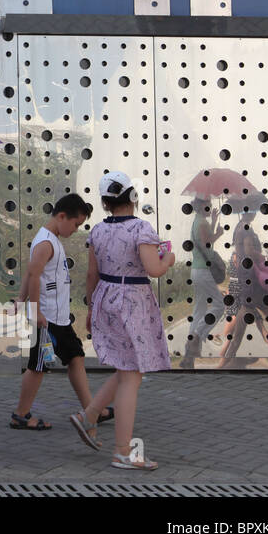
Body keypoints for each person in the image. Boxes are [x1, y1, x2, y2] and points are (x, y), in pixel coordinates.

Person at [71, 172, 173, 470]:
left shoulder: (98, 231)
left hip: (105, 297)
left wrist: (90, 309)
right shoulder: (141, 227)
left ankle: (87, 416)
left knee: (125, 367)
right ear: (132, 197)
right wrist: (169, 259)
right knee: (132, 375)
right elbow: (154, 269)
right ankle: (122, 451)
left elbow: (91, 274)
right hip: (133, 300)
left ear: (104, 202)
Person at [10, 194, 110, 430]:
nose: (76, 230)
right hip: (47, 319)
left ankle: (93, 410)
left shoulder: (50, 240)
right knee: (37, 366)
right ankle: (21, 414)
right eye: (76, 224)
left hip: (57, 318)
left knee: (75, 357)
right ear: (62, 216)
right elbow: (33, 275)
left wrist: (20, 298)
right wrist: (34, 312)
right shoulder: (46, 242)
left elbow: (30, 273)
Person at [217, 208, 268, 369]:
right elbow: (249, 250)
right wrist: (259, 256)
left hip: (246, 287)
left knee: (238, 337)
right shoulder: (246, 229)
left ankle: (221, 366)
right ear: (249, 212)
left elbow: (240, 253)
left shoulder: (238, 230)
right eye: (254, 211)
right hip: (255, 285)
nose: (256, 213)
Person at [179, 197, 228, 367]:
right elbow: (207, 242)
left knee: (199, 309)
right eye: (208, 204)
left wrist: (213, 222)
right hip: (203, 270)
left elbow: (204, 242)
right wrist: (219, 234)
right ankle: (197, 336)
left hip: (197, 269)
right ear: (201, 206)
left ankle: (188, 357)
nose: (210, 206)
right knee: (219, 306)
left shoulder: (198, 221)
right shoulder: (201, 223)